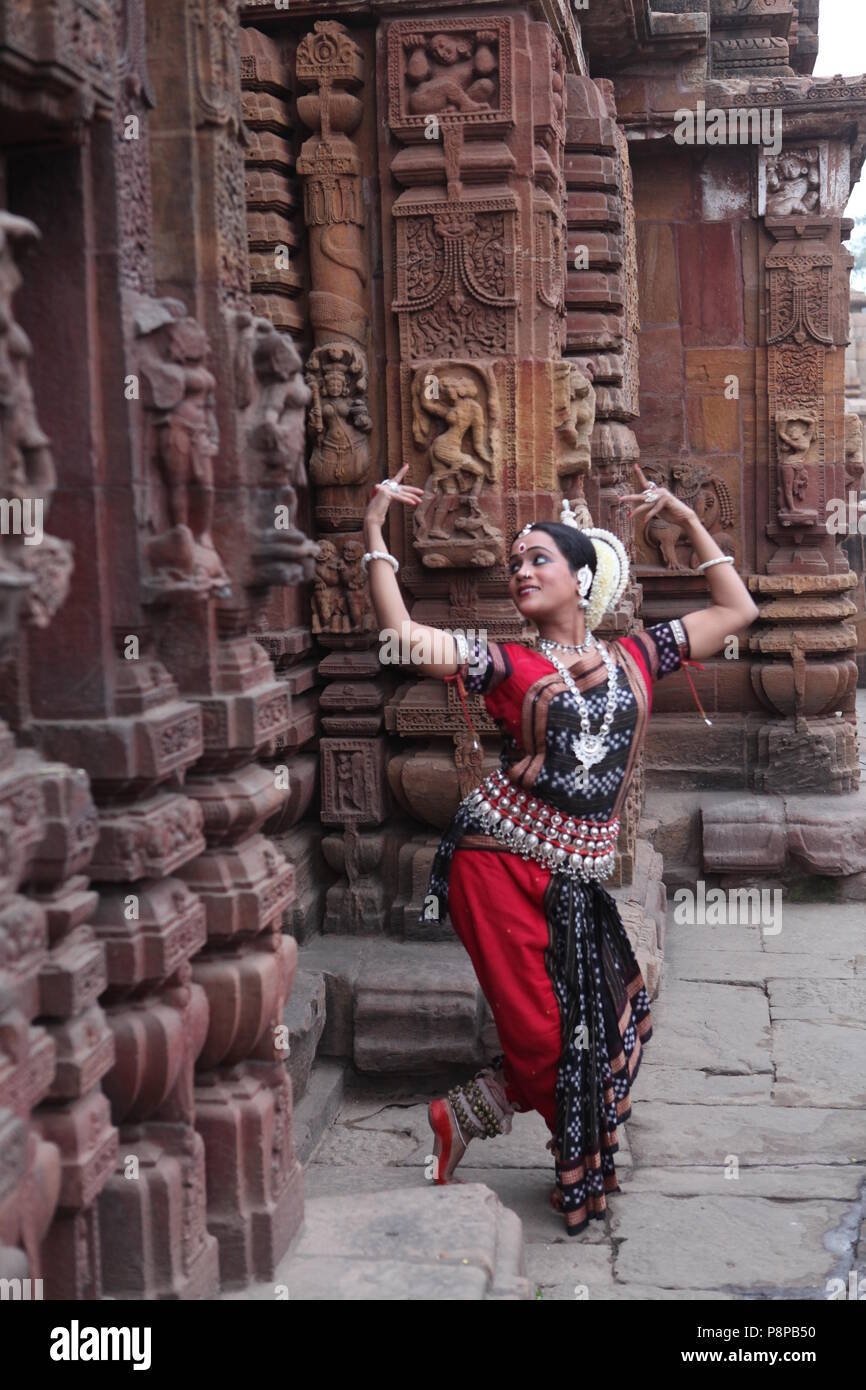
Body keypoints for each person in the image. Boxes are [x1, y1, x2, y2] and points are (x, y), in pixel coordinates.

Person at [361, 461, 759, 1235]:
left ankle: (462, 1113)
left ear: (585, 577)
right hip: (495, 860)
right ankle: (513, 1133)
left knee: (607, 1019)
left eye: (538, 558)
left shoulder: (638, 657)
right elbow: (403, 636)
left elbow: (737, 608)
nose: (520, 572)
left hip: (572, 874)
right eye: (514, 562)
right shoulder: (507, 665)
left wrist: (683, 518)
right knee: (548, 1034)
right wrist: (374, 533)